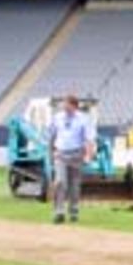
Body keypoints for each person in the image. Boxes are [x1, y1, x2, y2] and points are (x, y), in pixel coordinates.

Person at [46, 95, 95, 225]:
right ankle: (59, 212)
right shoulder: (57, 118)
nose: (64, 107)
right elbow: (51, 136)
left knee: (74, 185)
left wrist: (88, 155)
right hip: (61, 154)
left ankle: (73, 211)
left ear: (74, 106)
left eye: (67, 105)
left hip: (77, 155)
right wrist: (50, 153)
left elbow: (89, 139)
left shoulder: (83, 119)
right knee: (60, 182)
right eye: (64, 105)